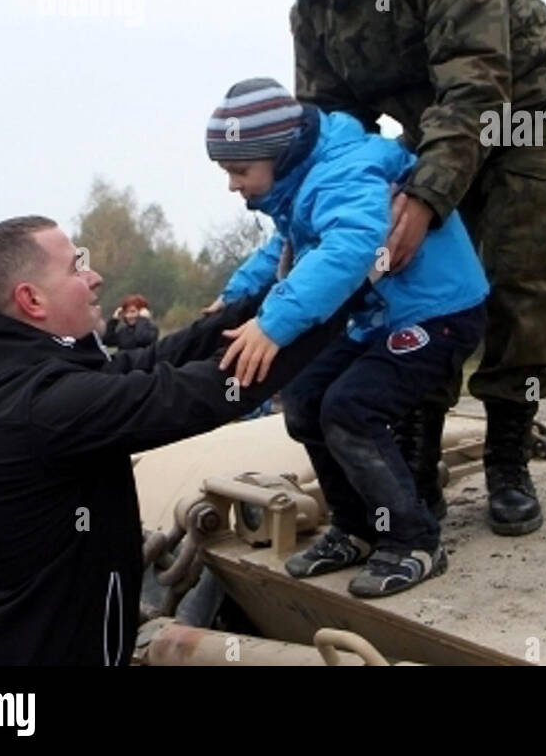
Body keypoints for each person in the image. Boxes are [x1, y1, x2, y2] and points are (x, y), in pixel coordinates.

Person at [247, 0, 546, 536]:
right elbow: (332, 132)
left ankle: (508, 452)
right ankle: (416, 453)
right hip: (435, 128)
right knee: (408, 283)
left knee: (524, 285)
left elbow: (476, 88)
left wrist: (428, 198)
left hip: (533, 116)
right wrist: (325, 229)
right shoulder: (313, 10)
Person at [0, 215, 350, 666]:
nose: (95, 276)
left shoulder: (18, 368)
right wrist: (343, 290)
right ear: (31, 299)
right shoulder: (42, 404)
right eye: (75, 269)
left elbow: (159, 359)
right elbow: (196, 394)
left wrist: (281, 295)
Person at [205, 78, 488, 595]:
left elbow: (348, 250)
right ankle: (357, 527)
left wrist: (273, 323)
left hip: (437, 310)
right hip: (384, 315)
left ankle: (413, 540)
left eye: (238, 171)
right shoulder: (301, 179)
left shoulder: (346, 171)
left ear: (277, 153)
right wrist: (234, 296)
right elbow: (286, 246)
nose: (232, 184)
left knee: (350, 409)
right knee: (307, 399)